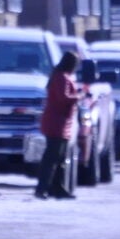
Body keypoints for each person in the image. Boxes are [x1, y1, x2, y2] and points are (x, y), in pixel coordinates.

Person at [35, 51, 83, 200]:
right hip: (56, 123)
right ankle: (42, 189)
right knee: (51, 159)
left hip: (62, 122)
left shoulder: (62, 77)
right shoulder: (60, 78)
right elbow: (64, 98)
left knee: (59, 159)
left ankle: (58, 189)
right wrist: (79, 96)